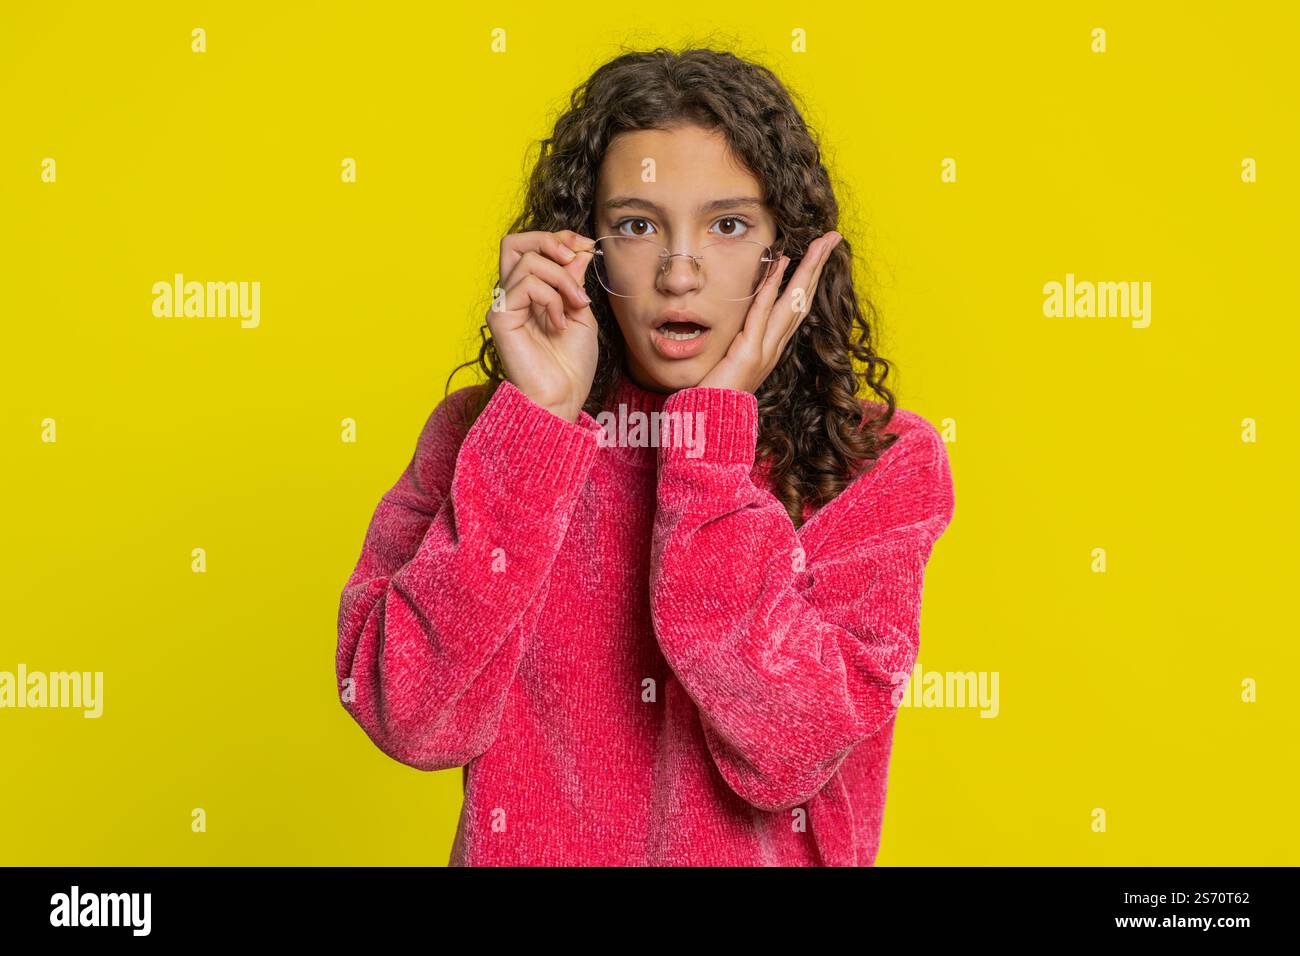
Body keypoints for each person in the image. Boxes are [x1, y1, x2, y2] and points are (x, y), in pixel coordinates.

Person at [336, 46, 955, 866]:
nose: (679, 272)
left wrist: (707, 445)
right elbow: (410, 713)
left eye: (727, 225)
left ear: (792, 255)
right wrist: (539, 426)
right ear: (581, 247)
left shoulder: (878, 464)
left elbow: (787, 749)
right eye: (636, 225)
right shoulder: (488, 434)